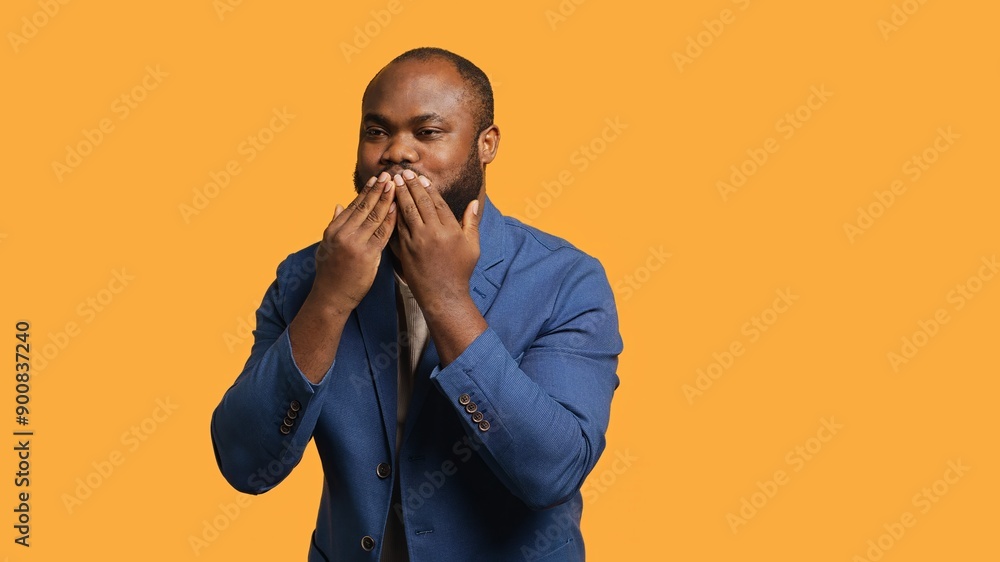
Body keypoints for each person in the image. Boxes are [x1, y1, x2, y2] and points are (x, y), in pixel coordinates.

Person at [210, 47, 623, 561]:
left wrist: (447, 298)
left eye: (427, 132)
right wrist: (329, 302)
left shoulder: (565, 279)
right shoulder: (305, 277)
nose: (397, 153)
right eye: (377, 132)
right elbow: (245, 464)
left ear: (486, 144)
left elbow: (551, 472)